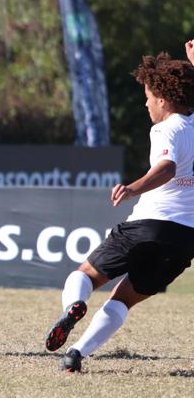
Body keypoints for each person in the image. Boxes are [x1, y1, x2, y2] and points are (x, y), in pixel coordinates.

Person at [44, 51, 194, 372]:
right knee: (122, 299)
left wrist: (133, 188)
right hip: (184, 240)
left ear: (164, 101)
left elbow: (167, 168)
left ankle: (73, 306)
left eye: (149, 97)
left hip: (148, 225)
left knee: (84, 275)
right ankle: (76, 354)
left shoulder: (166, 129)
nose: (146, 104)